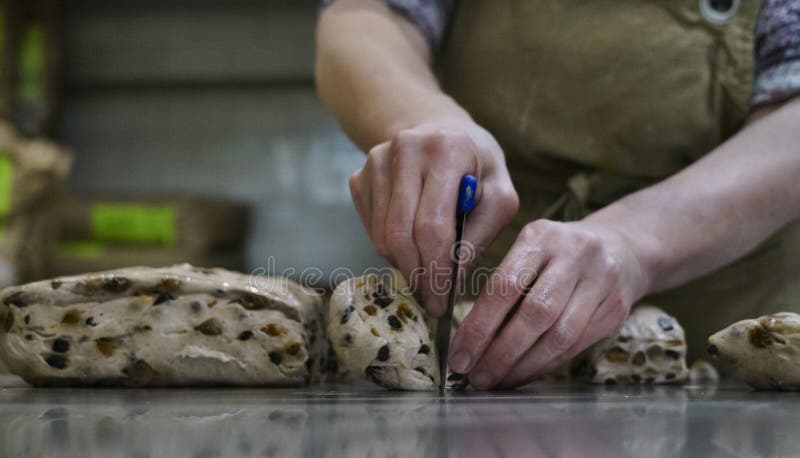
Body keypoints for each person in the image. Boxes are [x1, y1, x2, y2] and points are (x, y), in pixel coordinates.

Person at [315, 0, 800, 390]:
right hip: (480, 351)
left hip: (735, 368)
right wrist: (426, 119)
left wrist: (635, 240)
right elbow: (366, 15)